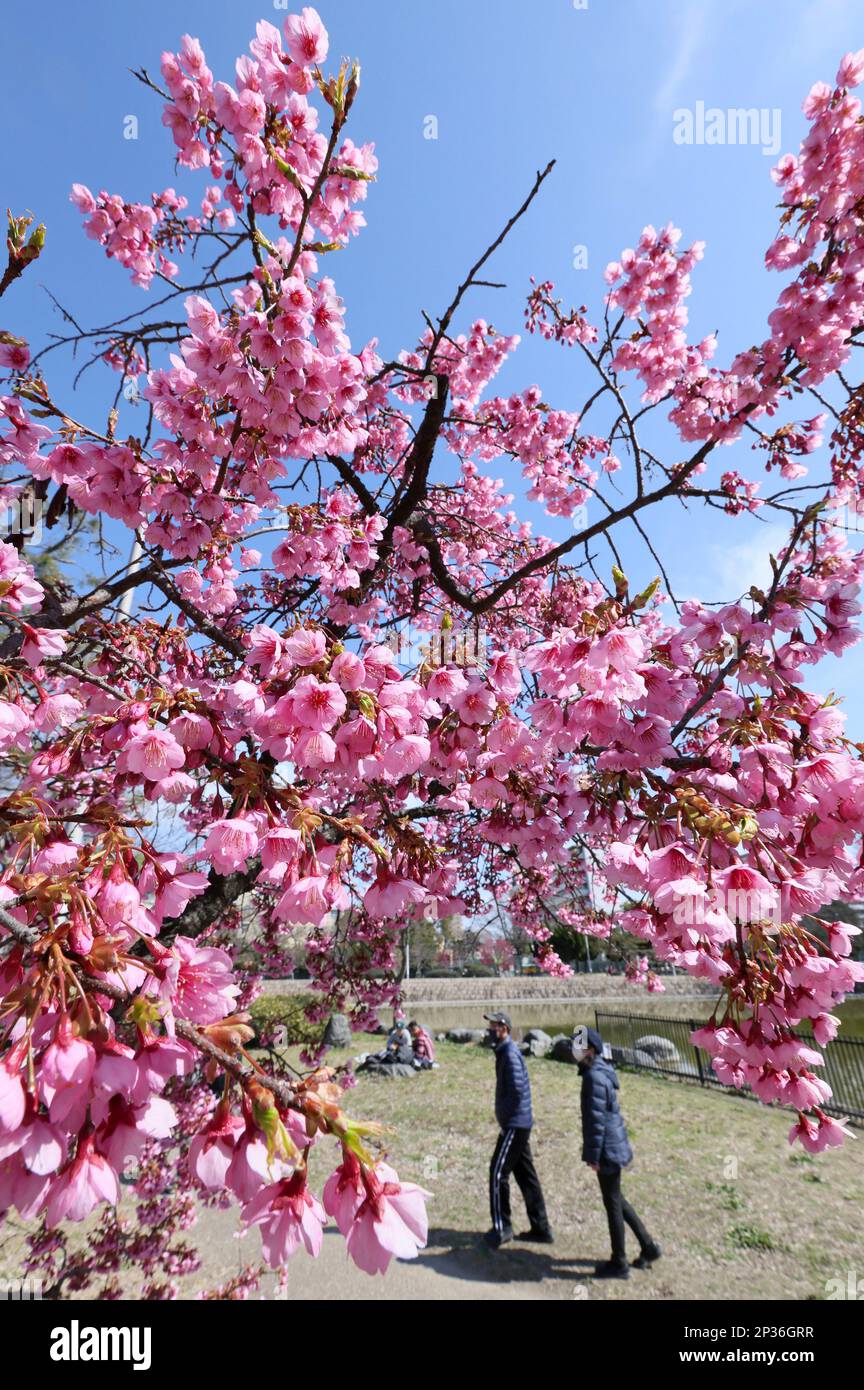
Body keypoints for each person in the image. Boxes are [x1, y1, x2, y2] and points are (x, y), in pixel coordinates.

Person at [574, 1026, 661, 1279]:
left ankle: (619, 1262)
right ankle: (649, 1246)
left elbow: (595, 1121)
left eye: (578, 1045)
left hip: (607, 1149)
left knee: (612, 1205)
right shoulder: (600, 1070)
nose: (574, 1050)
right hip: (613, 1145)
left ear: (590, 1049)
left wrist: (593, 1156)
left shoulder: (593, 1077)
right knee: (617, 1199)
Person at [483, 1011, 553, 1248]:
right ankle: (541, 1227)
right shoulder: (504, 1052)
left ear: (503, 1029)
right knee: (526, 1177)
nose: (489, 1030)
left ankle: (502, 1228)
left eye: (493, 1026)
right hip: (518, 1123)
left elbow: (517, 1090)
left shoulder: (510, 1054)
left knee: (497, 1173)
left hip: (515, 1124)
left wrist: (507, 1121)